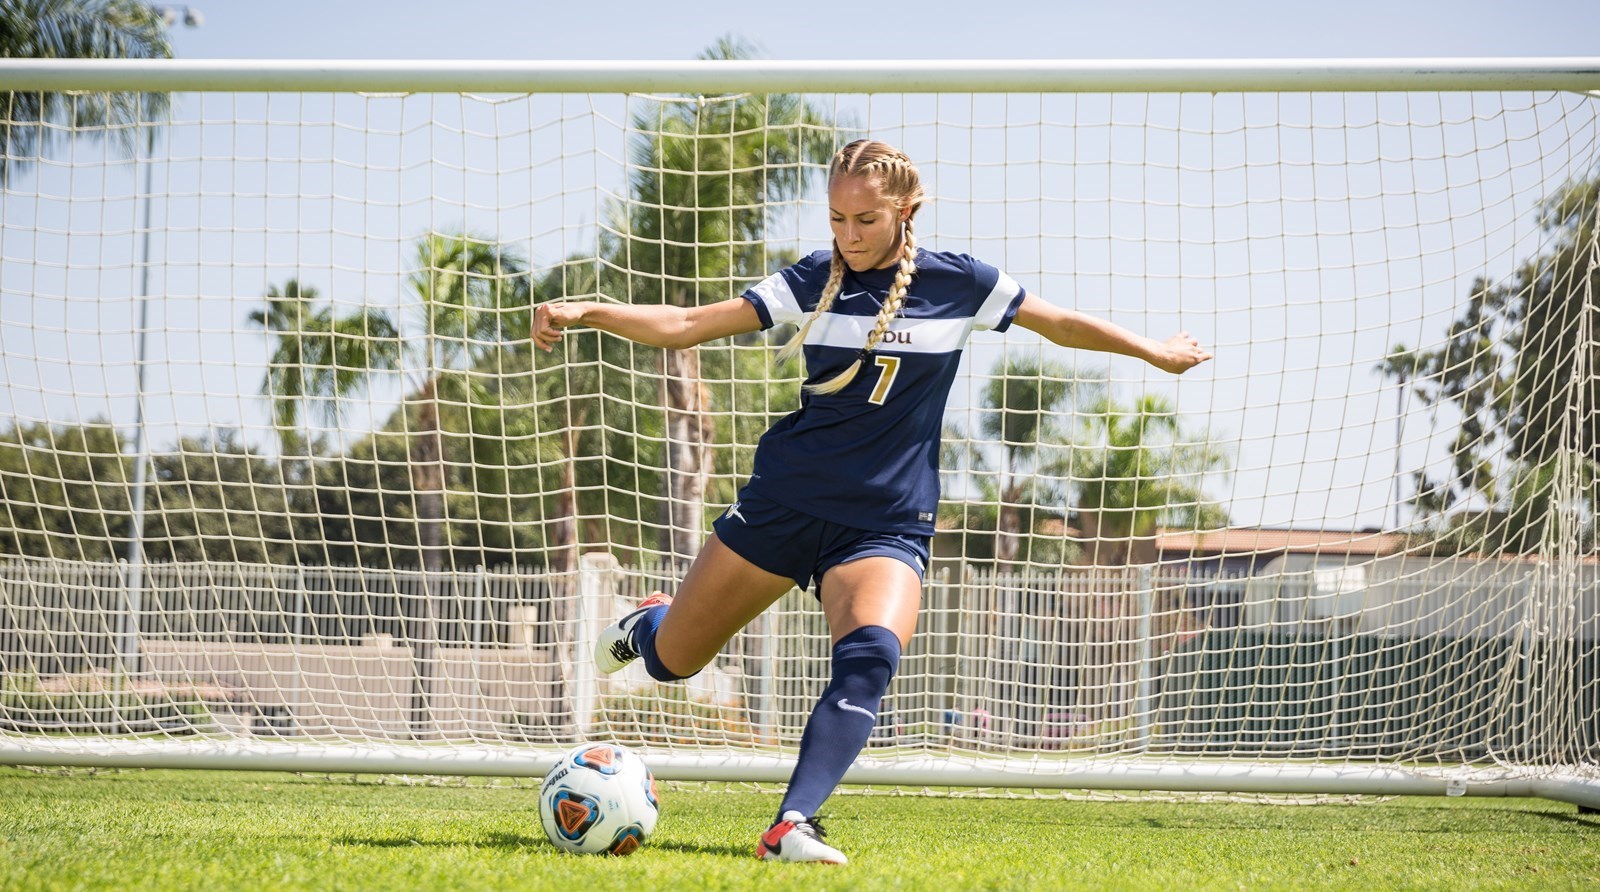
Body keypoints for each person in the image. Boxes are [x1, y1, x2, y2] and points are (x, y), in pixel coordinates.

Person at [532, 139, 1212, 864]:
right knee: (674, 664)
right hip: (783, 506)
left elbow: (1062, 324)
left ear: (905, 211)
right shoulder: (811, 280)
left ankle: (791, 824)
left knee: (869, 662)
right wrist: (588, 311)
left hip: (886, 523)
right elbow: (690, 324)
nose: (848, 235)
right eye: (836, 218)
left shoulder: (962, 284)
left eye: (864, 219)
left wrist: (1154, 351)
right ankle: (652, 623)